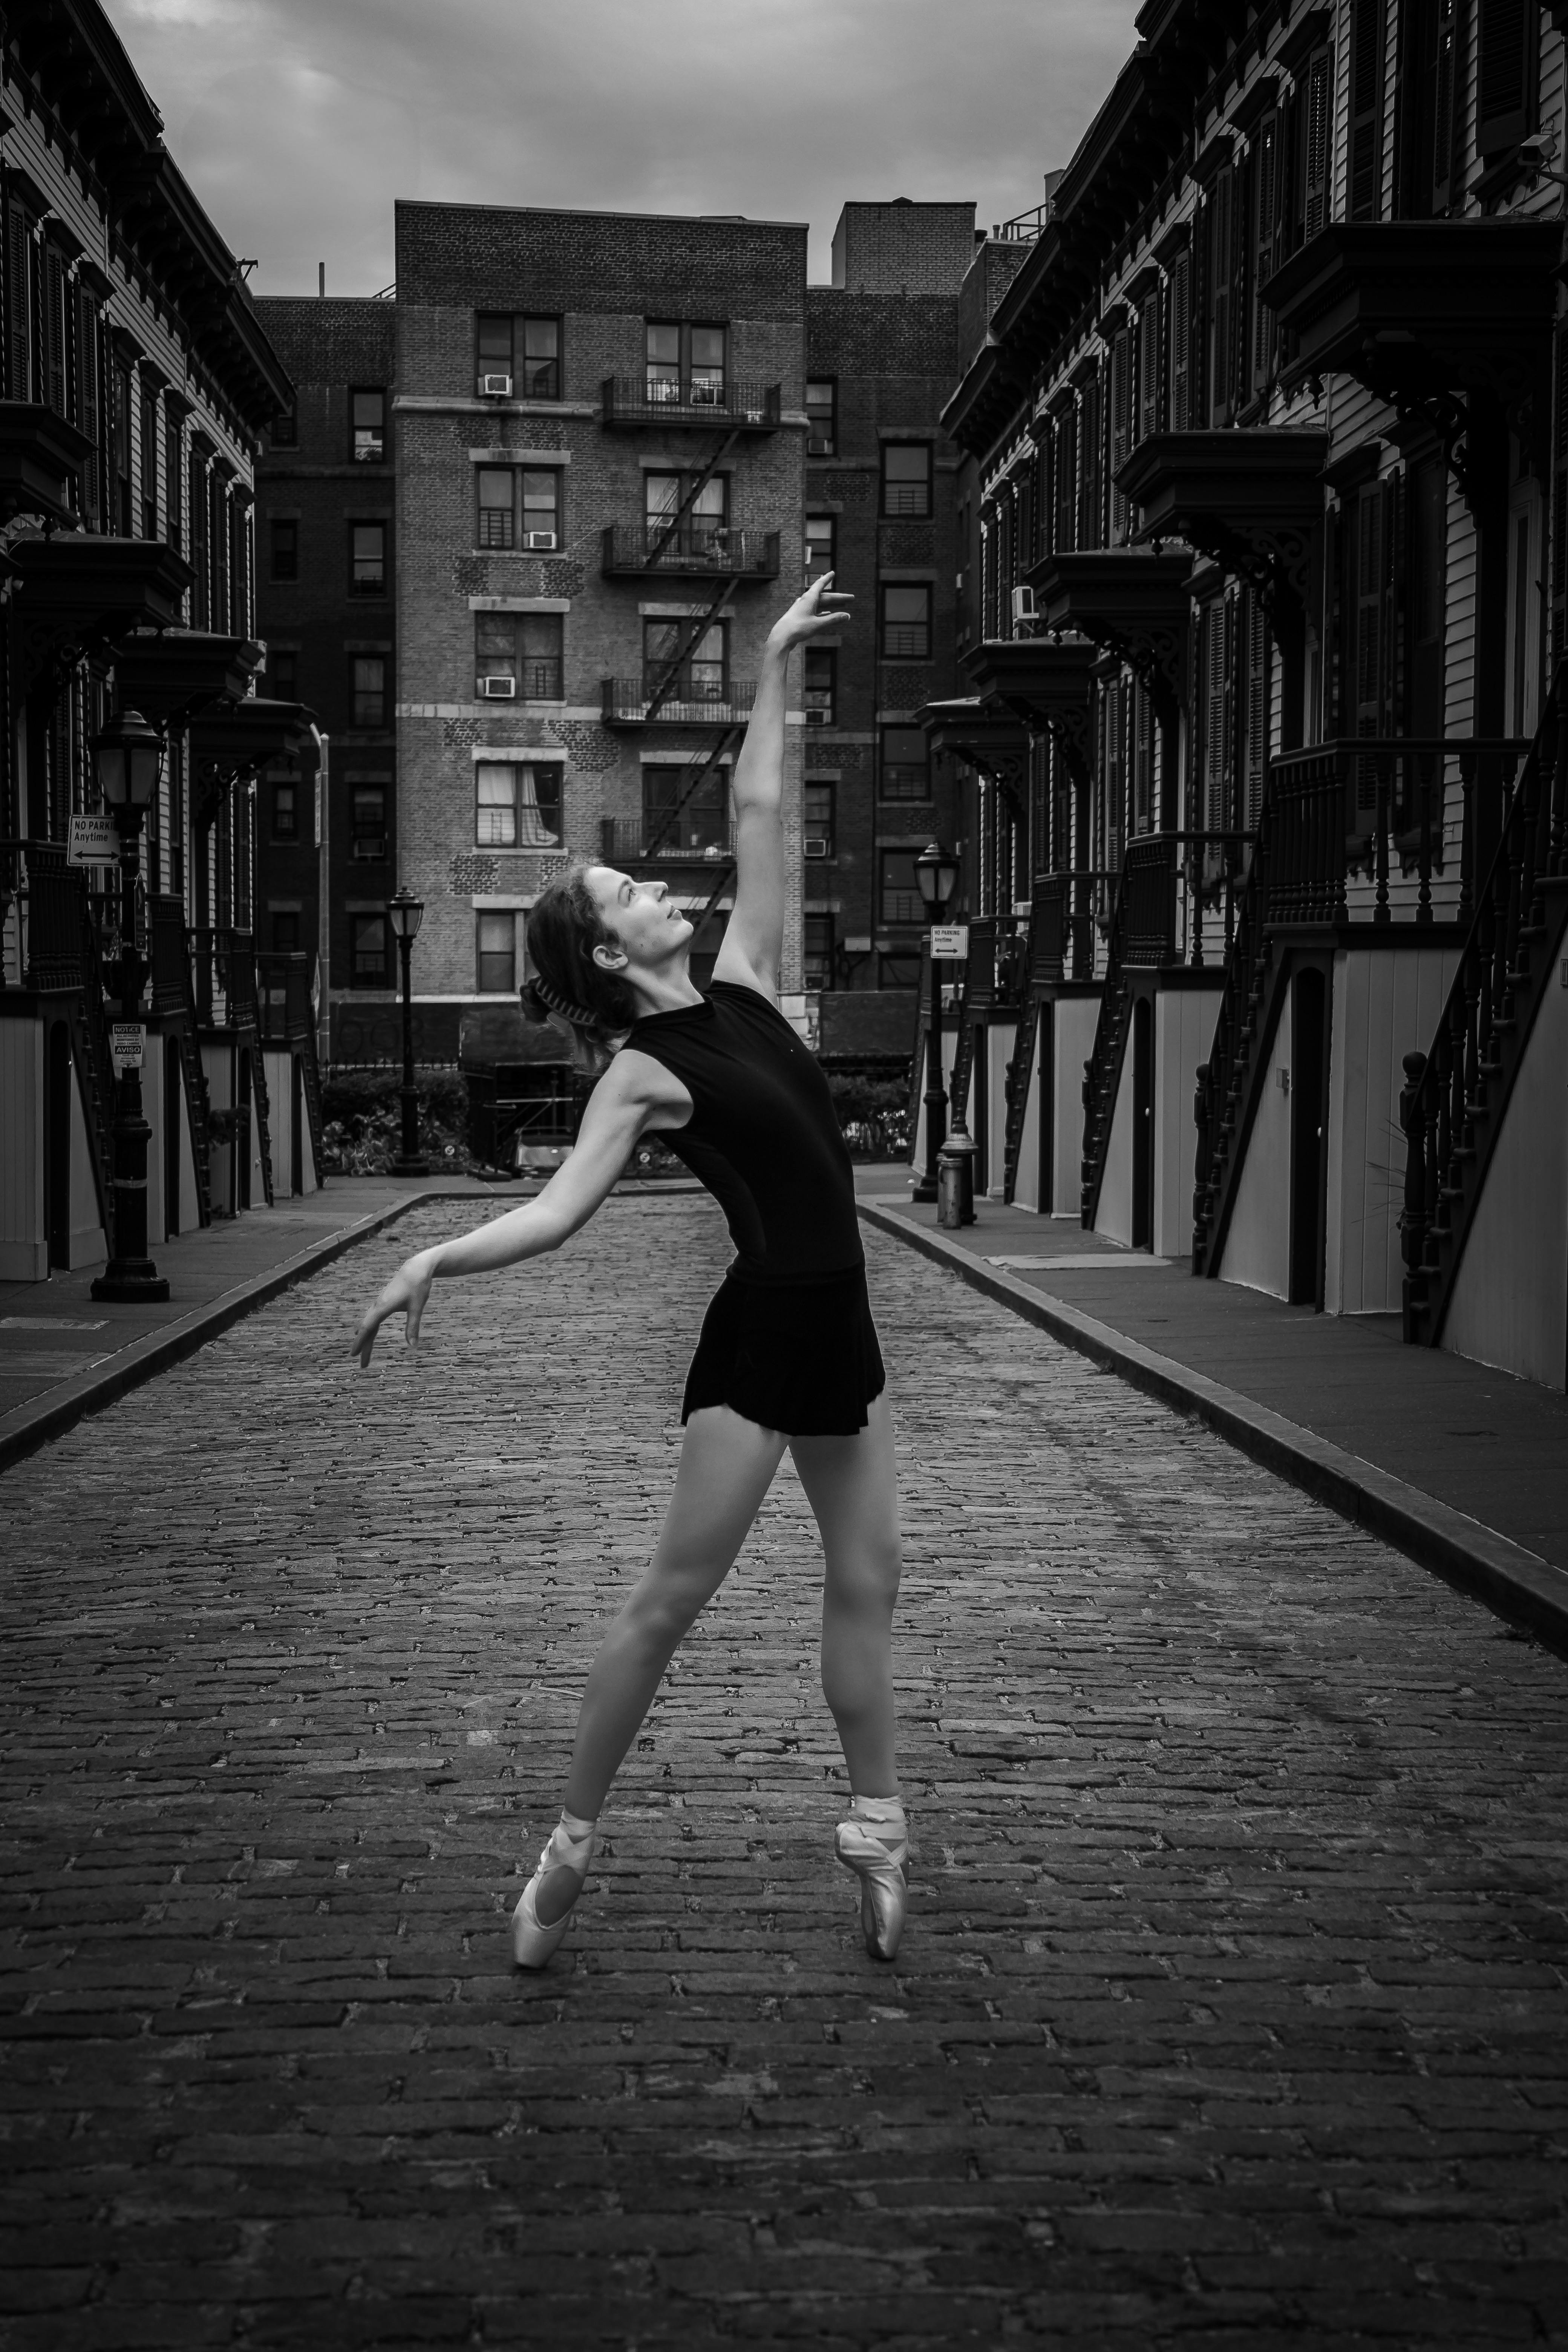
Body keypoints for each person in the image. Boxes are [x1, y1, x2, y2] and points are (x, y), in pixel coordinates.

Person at [353, 577, 908, 1969]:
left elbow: (761, 820)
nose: (663, 890)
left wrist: (773, 664)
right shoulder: (644, 1075)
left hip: (843, 1329)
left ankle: (879, 1824)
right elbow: (552, 1218)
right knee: (672, 1602)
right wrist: (434, 1253)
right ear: (612, 950)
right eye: (632, 892)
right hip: (761, 1343)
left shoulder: (749, 985)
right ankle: (570, 1845)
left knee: (871, 1577)